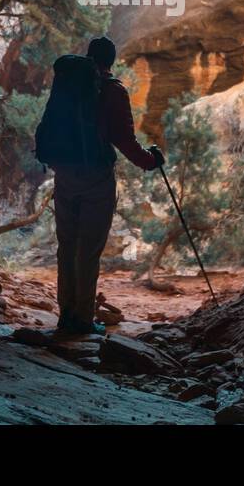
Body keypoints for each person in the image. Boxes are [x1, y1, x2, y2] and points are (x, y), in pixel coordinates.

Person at [49, 36, 163, 335]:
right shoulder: (112, 91)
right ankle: (83, 319)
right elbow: (124, 140)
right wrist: (151, 161)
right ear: (111, 60)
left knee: (67, 245)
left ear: (89, 56)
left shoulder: (69, 84)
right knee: (88, 249)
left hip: (64, 174)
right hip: (96, 177)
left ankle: (66, 314)